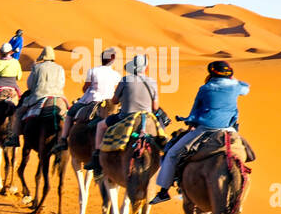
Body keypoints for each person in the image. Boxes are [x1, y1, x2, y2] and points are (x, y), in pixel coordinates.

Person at [149, 60, 250, 204]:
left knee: (172, 154)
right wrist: (233, 79)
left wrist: (191, 122)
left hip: (205, 128)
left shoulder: (206, 88)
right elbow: (246, 89)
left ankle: (164, 191)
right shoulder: (236, 87)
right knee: (246, 150)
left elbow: (195, 109)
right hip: (228, 129)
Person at [89, 52, 159, 174]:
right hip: (146, 118)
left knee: (100, 126)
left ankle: (96, 157)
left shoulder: (125, 80)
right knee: (160, 134)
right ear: (146, 68)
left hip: (125, 117)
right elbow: (155, 106)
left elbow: (115, 101)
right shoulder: (152, 82)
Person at [54, 47, 120, 151]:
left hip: (92, 100)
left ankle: (63, 139)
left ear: (102, 59)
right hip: (109, 104)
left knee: (70, 112)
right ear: (112, 61)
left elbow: (85, 88)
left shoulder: (93, 71)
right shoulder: (116, 75)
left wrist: (86, 88)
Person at [4, 45, 65, 146]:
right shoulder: (60, 68)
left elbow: (30, 85)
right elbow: (62, 84)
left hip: (38, 96)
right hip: (58, 97)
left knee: (19, 113)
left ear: (43, 56)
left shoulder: (37, 67)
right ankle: (64, 139)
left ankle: (15, 137)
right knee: (67, 115)